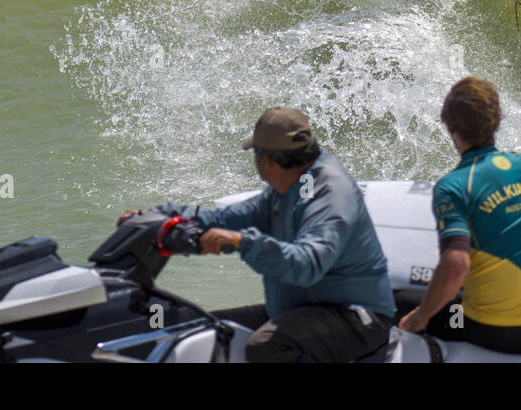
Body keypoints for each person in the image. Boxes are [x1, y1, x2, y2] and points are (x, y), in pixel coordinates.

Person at [119, 107, 395, 362]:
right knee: (201, 328)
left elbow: (308, 265)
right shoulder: (287, 188)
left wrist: (244, 243)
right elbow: (224, 219)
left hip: (356, 317)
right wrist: (159, 215)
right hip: (298, 309)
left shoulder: (330, 193)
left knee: (268, 346)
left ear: (267, 161)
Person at [398, 76, 521, 354]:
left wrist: (419, 318)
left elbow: (456, 264)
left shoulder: (454, 186)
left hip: (494, 330)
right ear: (497, 121)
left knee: (401, 303)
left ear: (449, 126)